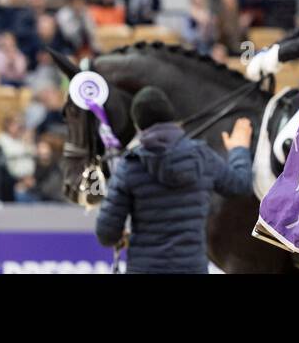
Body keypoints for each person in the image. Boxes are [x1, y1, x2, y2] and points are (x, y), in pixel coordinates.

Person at [95, 87, 255, 274]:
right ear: (171, 117)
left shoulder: (129, 166)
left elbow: (106, 234)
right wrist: (239, 150)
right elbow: (241, 185)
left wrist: (119, 235)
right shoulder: (202, 156)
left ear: (138, 125)